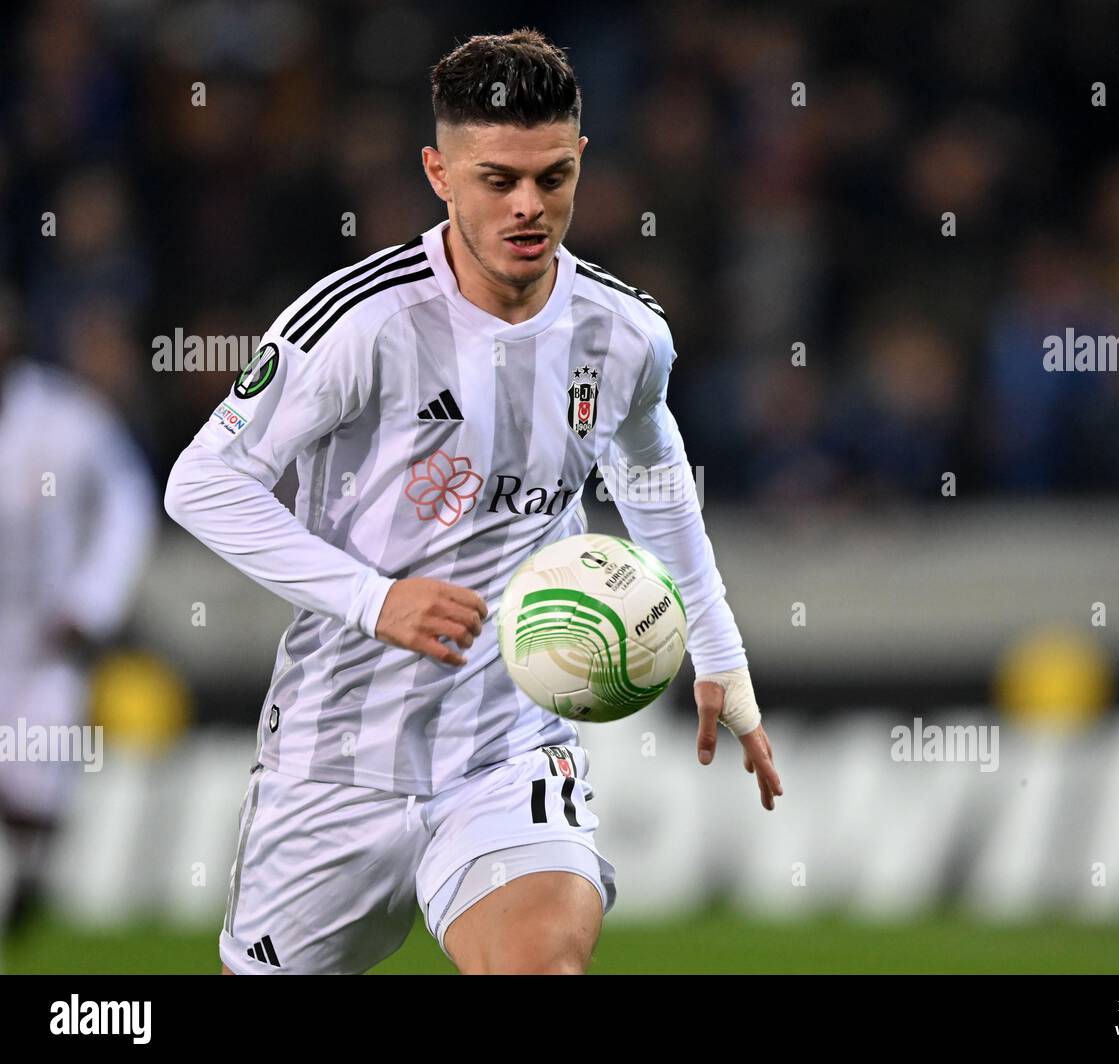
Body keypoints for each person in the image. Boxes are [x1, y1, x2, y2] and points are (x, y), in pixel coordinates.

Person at [164, 28, 781, 976]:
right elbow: (201, 484)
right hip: (337, 753)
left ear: (581, 163)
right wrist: (376, 599)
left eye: (553, 176)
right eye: (498, 179)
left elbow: (653, 477)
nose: (530, 206)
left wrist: (721, 654)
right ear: (439, 174)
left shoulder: (626, 334)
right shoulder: (359, 322)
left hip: (508, 745)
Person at [0, 286, 157, 946]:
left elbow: (128, 505)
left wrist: (91, 603)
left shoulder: (67, 417)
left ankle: (27, 888)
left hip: (43, 638)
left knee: (35, 788)